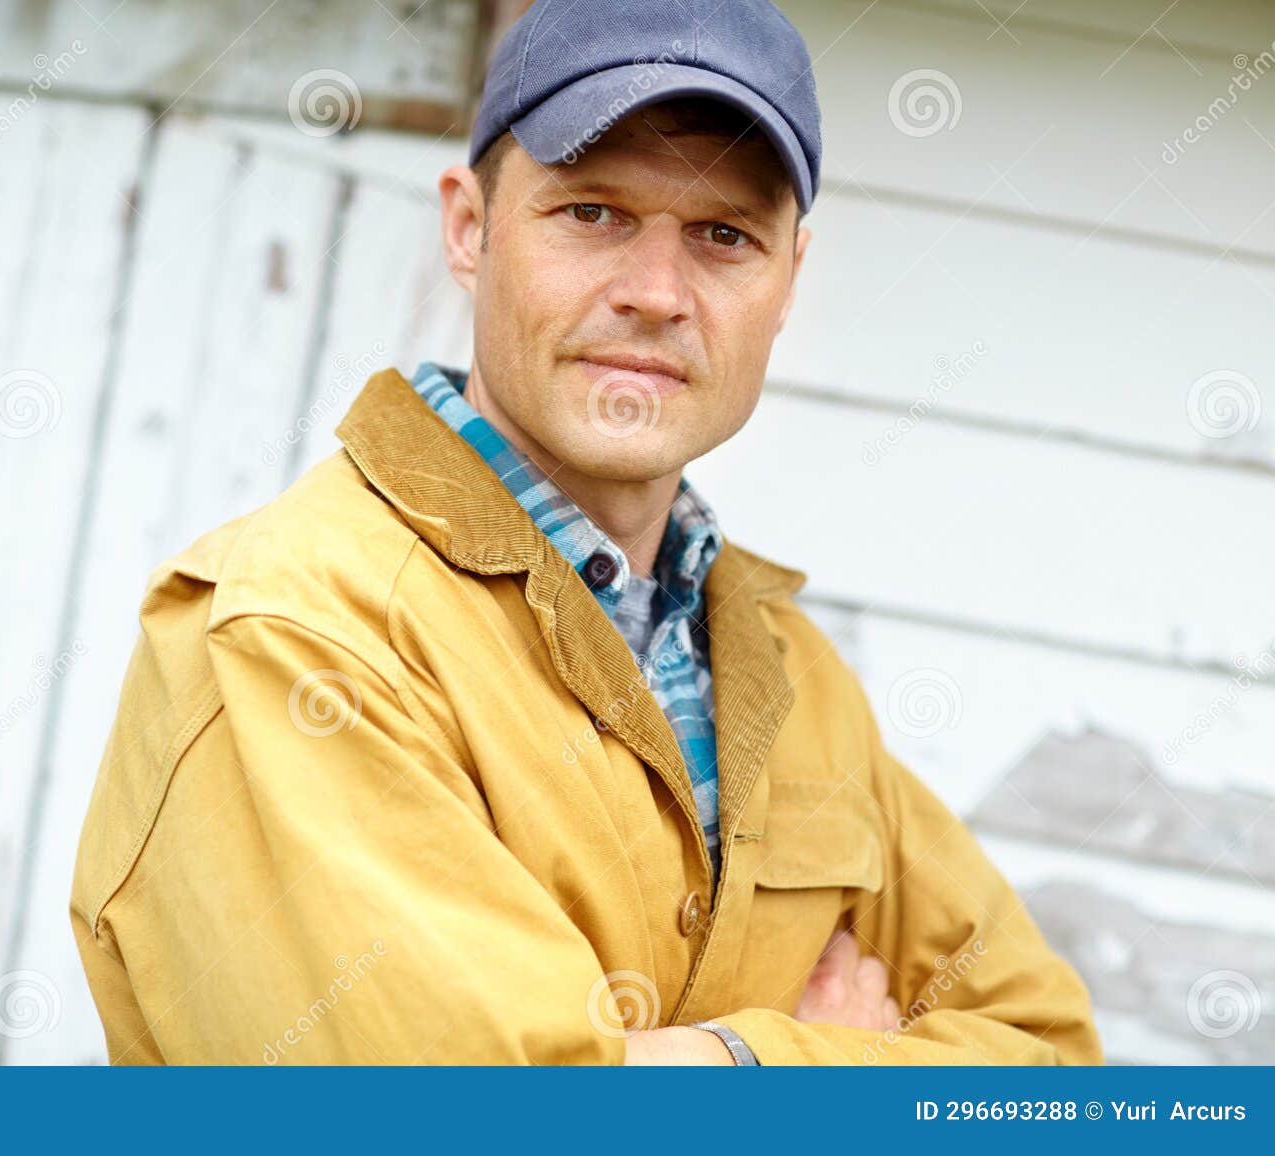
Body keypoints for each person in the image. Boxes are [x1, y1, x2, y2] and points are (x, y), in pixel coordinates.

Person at [70, 0, 1103, 1065]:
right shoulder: (294, 628)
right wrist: (803, 1067)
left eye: (722, 235)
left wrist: (684, 1063)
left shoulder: (792, 674)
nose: (656, 293)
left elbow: (1051, 1066)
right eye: (593, 213)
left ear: (787, 280)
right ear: (468, 228)